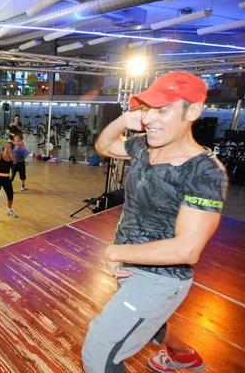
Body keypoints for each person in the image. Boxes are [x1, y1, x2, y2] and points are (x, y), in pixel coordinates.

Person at [81, 72, 228, 373]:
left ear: (193, 111)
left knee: (99, 351)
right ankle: (183, 356)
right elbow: (104, 147)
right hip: (129, 267)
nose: (150, 119)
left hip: (160, 279)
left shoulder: (205, 172)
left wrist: (114, 252)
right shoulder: (144, 146)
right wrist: (124, 121)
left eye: (163, 110)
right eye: (147, 108)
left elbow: (186, 250)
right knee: (149, 319)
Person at [0, 141, 18, 222]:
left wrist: (10, 153)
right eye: (7, 144)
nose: (7, 145)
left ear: (11, 148)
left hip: (6, 179)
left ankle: (9, 210)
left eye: (9, 145)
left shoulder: (11, 157)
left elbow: (15, 162)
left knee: (10, 195)